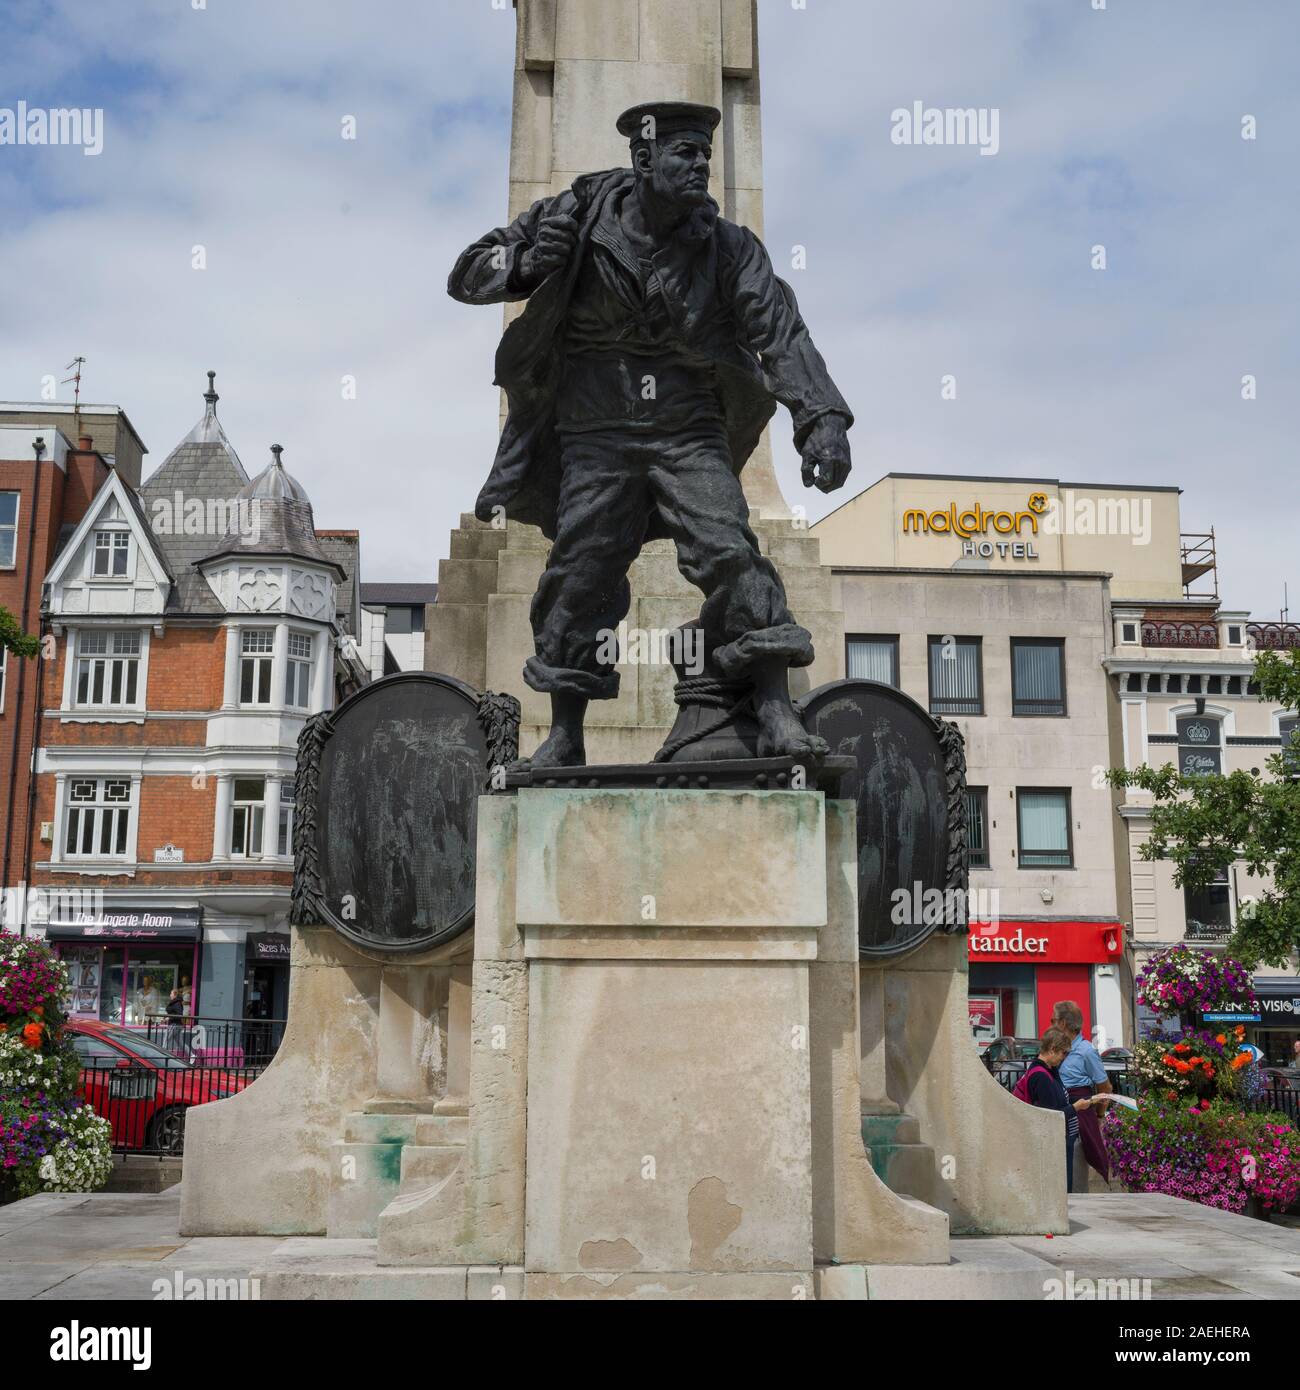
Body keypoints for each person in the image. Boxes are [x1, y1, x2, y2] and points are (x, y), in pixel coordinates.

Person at [448, 100, 853, 768]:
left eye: (705, 156)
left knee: (728, 549)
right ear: (643, 159)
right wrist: (521, 264)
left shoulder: (728, 248)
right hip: (593, 430)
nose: (700, 167)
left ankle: (776, 708)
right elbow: (469, 271)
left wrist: (821, 421)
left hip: (685, 428)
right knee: (579, 573)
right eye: (684, 154)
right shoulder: (575, 217)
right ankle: (566, 733)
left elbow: (779, 331)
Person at [1024, 1026, 1096, 1191]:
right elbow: (1050, 1115)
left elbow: (1060, 1100)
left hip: (1064, 1138)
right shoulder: (1041, 1076)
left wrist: (1084, 1102)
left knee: (1066, 1186)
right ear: (1052, 1050)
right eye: (1063, 1053)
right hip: (1055, 1141)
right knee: (1062, 1189)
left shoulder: (1049, 1071)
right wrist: (1076, 1107)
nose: (1064, 1058)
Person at [1053, 1000, 1113, 1189]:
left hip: (1078, 1118)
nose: (1051, 1025)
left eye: (1053, 1020)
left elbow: (1105, 1087)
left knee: (1075, 1175)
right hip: (1058, 1115)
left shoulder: (1086, 1051)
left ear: (1063, 1024)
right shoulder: (1059, 1049)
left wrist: (1099, 1115)